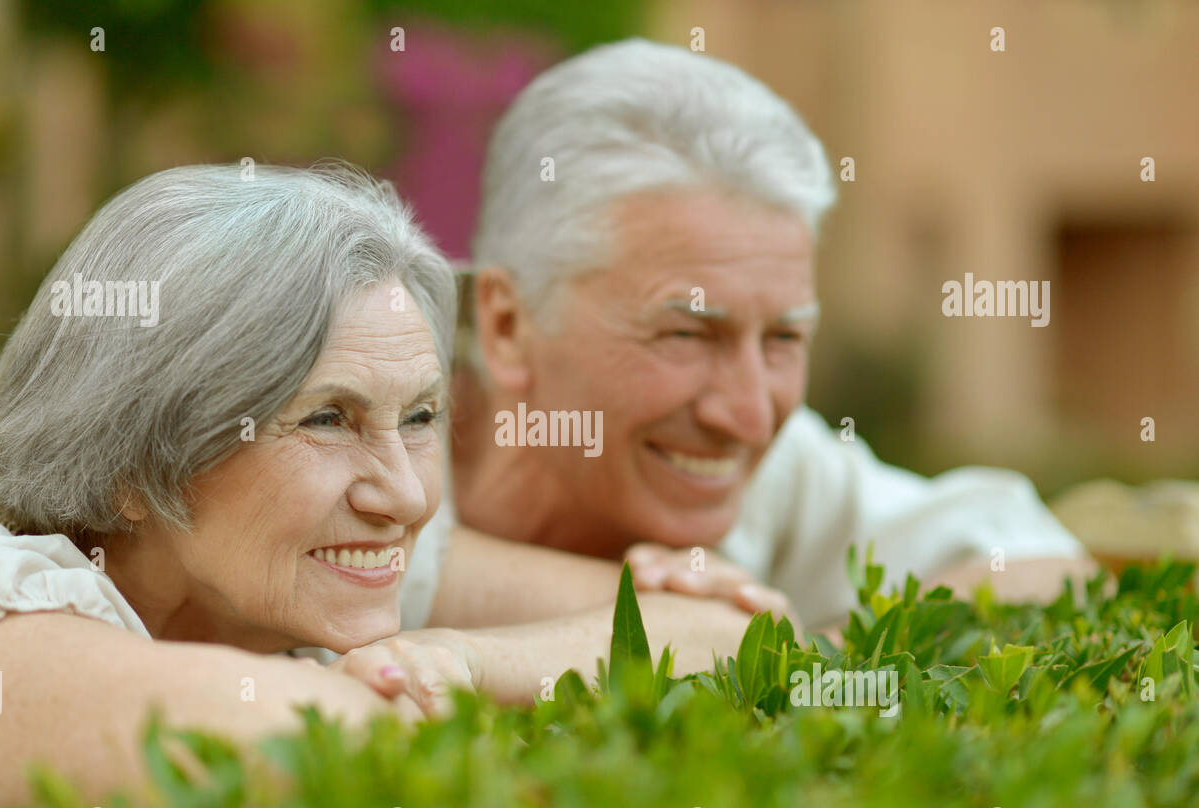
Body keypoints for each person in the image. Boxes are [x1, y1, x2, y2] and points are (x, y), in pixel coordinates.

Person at [0, 162, 756, 808]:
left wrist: (459, 660)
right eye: (325, 420)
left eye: (419, 417)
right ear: (136, 463)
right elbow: (297, 746)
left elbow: (732, 633)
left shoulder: (310, 566)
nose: (406, 496)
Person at [434, 38, 1095, 631]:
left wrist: (817, 659)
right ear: (508, 326)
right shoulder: (363, 416)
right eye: (687, 334)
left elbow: (1040, 559)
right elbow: (353, 572)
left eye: (782, 338)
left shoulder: (775, 468)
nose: (749, 416)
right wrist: (689, 623)